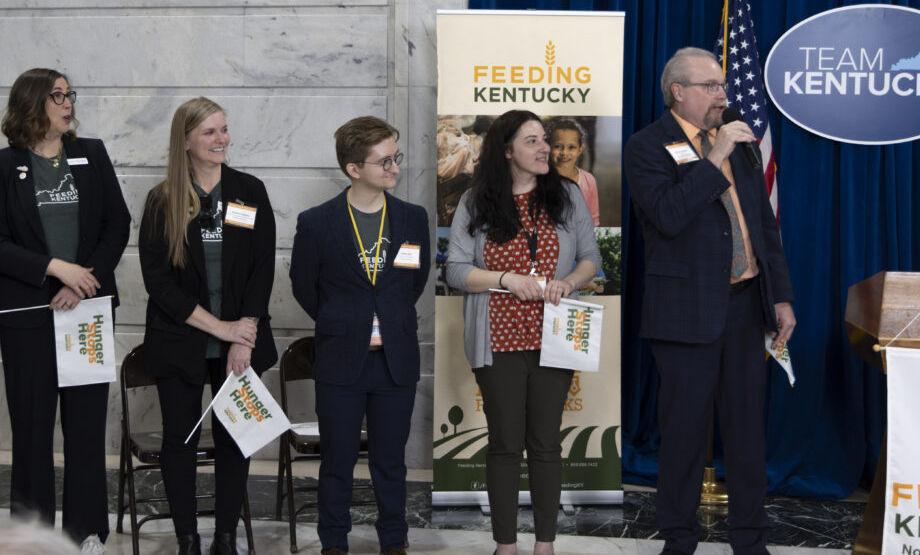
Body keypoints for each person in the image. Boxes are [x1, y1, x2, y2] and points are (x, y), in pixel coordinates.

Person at [623, 47, 796, 555]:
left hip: (746, 305)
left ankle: (750, 538)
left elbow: (763, 227)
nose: (724, 94)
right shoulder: (647, 146)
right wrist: (714, 156)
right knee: (683, 432)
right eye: (712, 86)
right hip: (684, 312)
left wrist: (780, 297)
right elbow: (669, 216)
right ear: (678, 92)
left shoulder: (739, 142)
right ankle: (679, 538)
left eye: (723, 85)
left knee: (746, 431)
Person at [0, 68, 130, 555]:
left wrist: (83, 283)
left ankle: (87, 533)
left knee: (85, 429)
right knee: (32, 430)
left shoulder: (91, 153)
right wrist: (55, 269)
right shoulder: (2, 165)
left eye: (69, 94)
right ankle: (32, 536)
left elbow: (116, 223)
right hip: (27, 313)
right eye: (57, 96)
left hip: (85, 310)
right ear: (32, 104)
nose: (68, 103)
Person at [444, 109, 599, 555]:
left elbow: (590, 257)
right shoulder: (476, 201)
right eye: (531, 141)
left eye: (544, 139)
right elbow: (455, 270)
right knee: (506, 444)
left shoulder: (567, 195)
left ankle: (545, 545)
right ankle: (505, 545)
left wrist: (570, 281)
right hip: (497, 338)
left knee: (547, 444)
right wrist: (505, 279)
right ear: (507, 150)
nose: (544, 148)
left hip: (555, 335)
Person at [138, 97, 277, 555]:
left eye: (224, 129)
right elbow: (159, 283)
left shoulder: (249, 190)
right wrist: (220, 328)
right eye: (210, 133)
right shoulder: (163, 201)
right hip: (181, 340)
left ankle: (224, 539)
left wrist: (244, 334)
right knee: (180, 443)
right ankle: (187, 541)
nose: (222, 140)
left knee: (235, 441)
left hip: (241, 340)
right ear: (186, 142)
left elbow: (262, 268)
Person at [290, 116, 430, 555]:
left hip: (395, 360)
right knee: (337, 462)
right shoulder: (317, 222)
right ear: (354, 169)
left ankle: (394, 540)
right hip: (340, 360)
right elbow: (303, 286)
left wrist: (386, 317)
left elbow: (415, 280)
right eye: (384, 161)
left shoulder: (412, 218)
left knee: (391, 462)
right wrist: (343, 321)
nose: (395, 168)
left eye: (396, 157)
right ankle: (334, 543)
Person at [548, 118, 600, 226]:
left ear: (580, 150)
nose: (564, 153)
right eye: (558, 146)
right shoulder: (540, 180)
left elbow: (593, 219)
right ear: (549, 148)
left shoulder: (589, 180)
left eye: (571, 147)